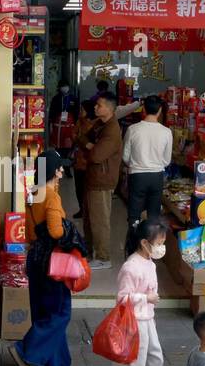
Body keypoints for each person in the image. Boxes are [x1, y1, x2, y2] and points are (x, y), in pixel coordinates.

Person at [9, 150, 79, 366]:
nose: (62, 172)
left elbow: (31, 230)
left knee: (43, 311)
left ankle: (54, 362)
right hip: (52, 260)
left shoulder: (33, 193)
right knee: (60, 312)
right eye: (59, 168)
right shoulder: (51, 196)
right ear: (53, 170)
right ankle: (25, 350)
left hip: (35, 257)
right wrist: (69, 230)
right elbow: (56, 231)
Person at [112, 218, 168, 366]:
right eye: (159, 242)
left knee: (155, 360)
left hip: (147, 320)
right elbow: (122, 298)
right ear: (145, 243)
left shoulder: (149, 263)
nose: (162, 247)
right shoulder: (131, 267)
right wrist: (146, 298)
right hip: (132, 323)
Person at [83, 92, 123, 269]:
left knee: (100, 220)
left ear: (109, 108)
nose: (95, 107)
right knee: (90, 219)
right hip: (93, 177)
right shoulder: (100, 124)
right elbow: (81, 137)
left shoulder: (112, 130)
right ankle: (92, 252)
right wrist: (88, 145)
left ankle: (103, 257)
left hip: (103, 180)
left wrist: (91, 147)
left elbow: (96, 156)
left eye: (99, 105)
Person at [122, 95, 173, 229]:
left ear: (143, 109)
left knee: (134, 214)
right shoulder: (166, 132)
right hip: (156, 177)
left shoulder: (133, 129)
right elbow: (166, 160)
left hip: (137, 176)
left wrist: (135, 164)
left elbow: (125, 156)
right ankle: (150, 244)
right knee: (154, 215)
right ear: (160, 110)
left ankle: (133, 243)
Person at [71, 99, 97, 221]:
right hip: (78, 160)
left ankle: (88, 210)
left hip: (89, 162)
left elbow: (90, 143)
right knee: (79, 187)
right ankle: (82, 209)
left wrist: (80, 139)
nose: (80, 111)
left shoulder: (95, 124)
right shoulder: (79, 121)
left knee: (88, 188)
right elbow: (73, 134)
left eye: (83, 109)